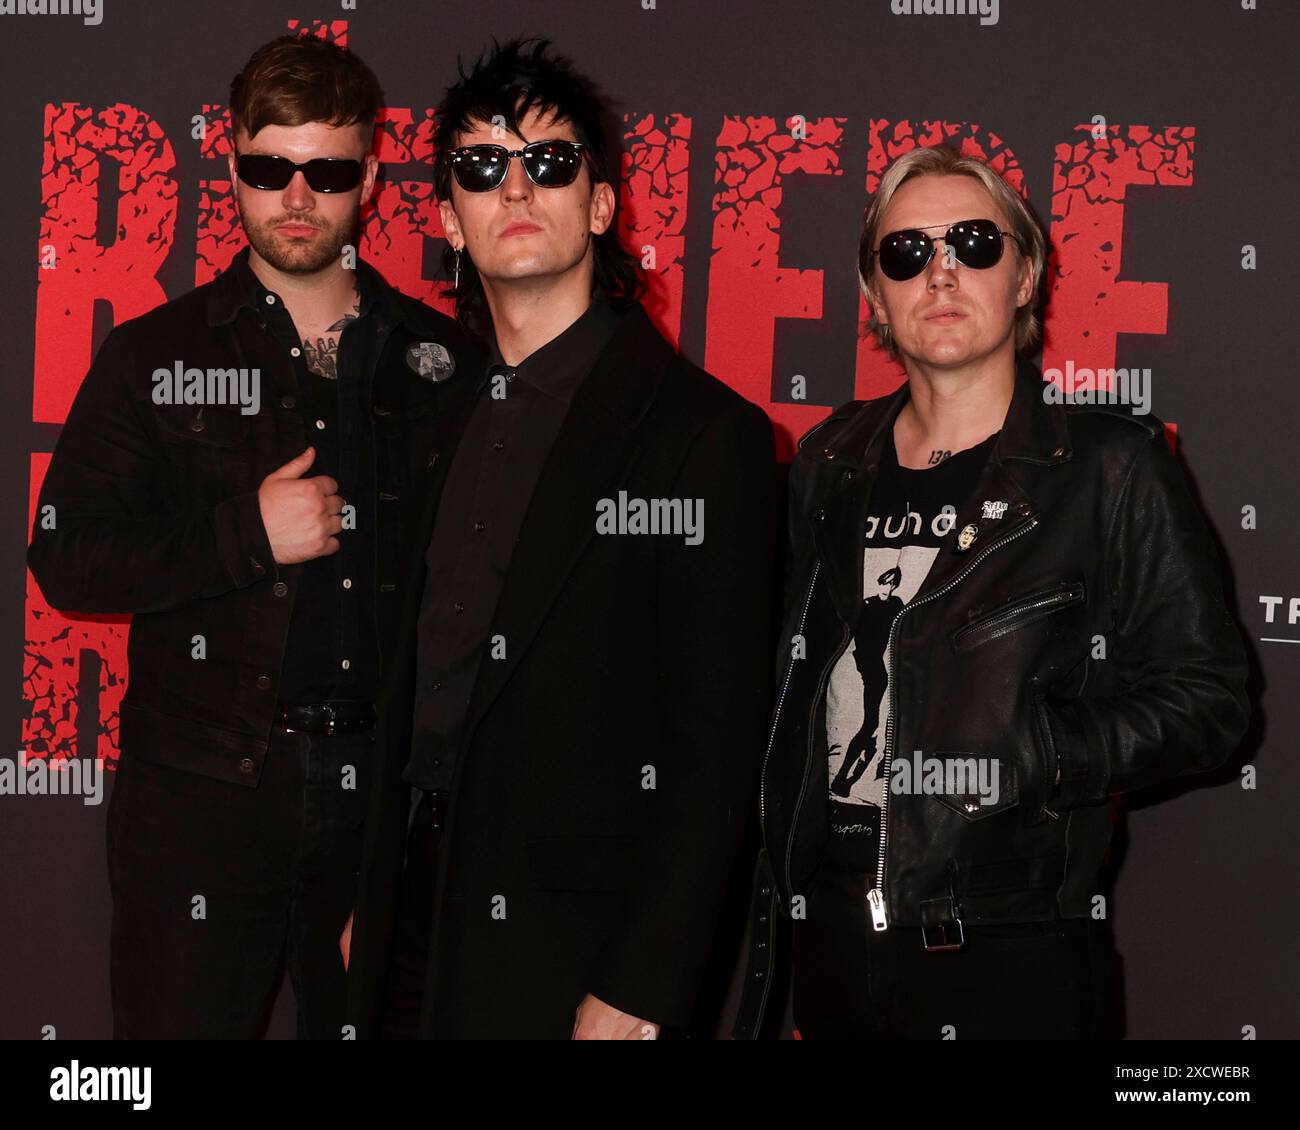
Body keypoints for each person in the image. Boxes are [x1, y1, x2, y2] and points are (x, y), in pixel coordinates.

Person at [733, 144, 1249, 1040]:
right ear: (874, 297)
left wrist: (1036, 749)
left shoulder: (1109, 467)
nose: (941, 272)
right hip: (835, 942)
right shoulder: (829, 461)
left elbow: (1211, 702)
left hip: (1010, 949)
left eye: (975, 244)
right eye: (906, 253)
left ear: (1025, 276)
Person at [26, 34, 481, 1038]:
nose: (297, 196)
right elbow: (65, 553)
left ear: (370, 174)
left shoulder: (438, 360)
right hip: (199, 800)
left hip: (381, 803)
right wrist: (246, 535)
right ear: (229, 160)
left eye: (326, 170)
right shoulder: (155, 352)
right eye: (270, 167)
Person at [341, 37, 775, 1040]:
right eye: (483, 168)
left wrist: (639, 984)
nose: (517, 188)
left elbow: (714, 753)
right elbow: (416, 681)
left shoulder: (702, 437)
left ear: (602, 204)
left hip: (576, 942)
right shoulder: (428, 410)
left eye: (551, 161)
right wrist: (377, 888)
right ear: (448, 217)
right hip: (417, 908)